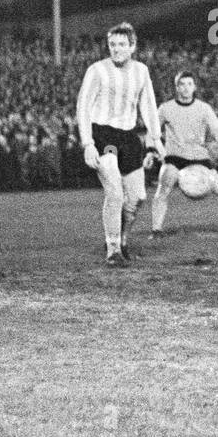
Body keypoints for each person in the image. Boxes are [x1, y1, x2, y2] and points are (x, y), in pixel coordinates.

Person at [75, 23, 163, 266]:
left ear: (133, 46)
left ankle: (123, 240)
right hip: (103, 136)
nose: (116, 49)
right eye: (112, 45)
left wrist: (155, 141)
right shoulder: (97, 70)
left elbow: (148, 107)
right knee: (114, 191)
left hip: (128, 137)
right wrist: (88, 143)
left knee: (137, 197)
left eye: (122, 44)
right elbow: (82, 107)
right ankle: (112, 250)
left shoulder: (141, 71)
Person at [149, 71, 218, 237]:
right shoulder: (165, 108)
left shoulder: (203, 108)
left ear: (194, 87)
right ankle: (156, 229)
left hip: (199, 157)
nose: (186, 88)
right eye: (182, 84)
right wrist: (152, 149)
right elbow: (153, 131)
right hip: (174, 157)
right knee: (163, 188)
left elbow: (217, 127)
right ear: (176, 87)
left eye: (189, 84)